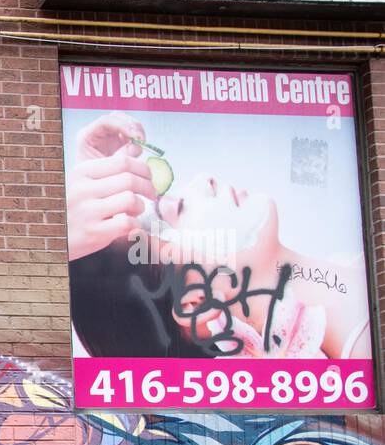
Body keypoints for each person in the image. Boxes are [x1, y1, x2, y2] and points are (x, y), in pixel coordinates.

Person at [67, 112, 372, 361]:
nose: (204, 180)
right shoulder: (367, 349)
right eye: (174, 213)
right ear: (197, 303)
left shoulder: (358, 271)